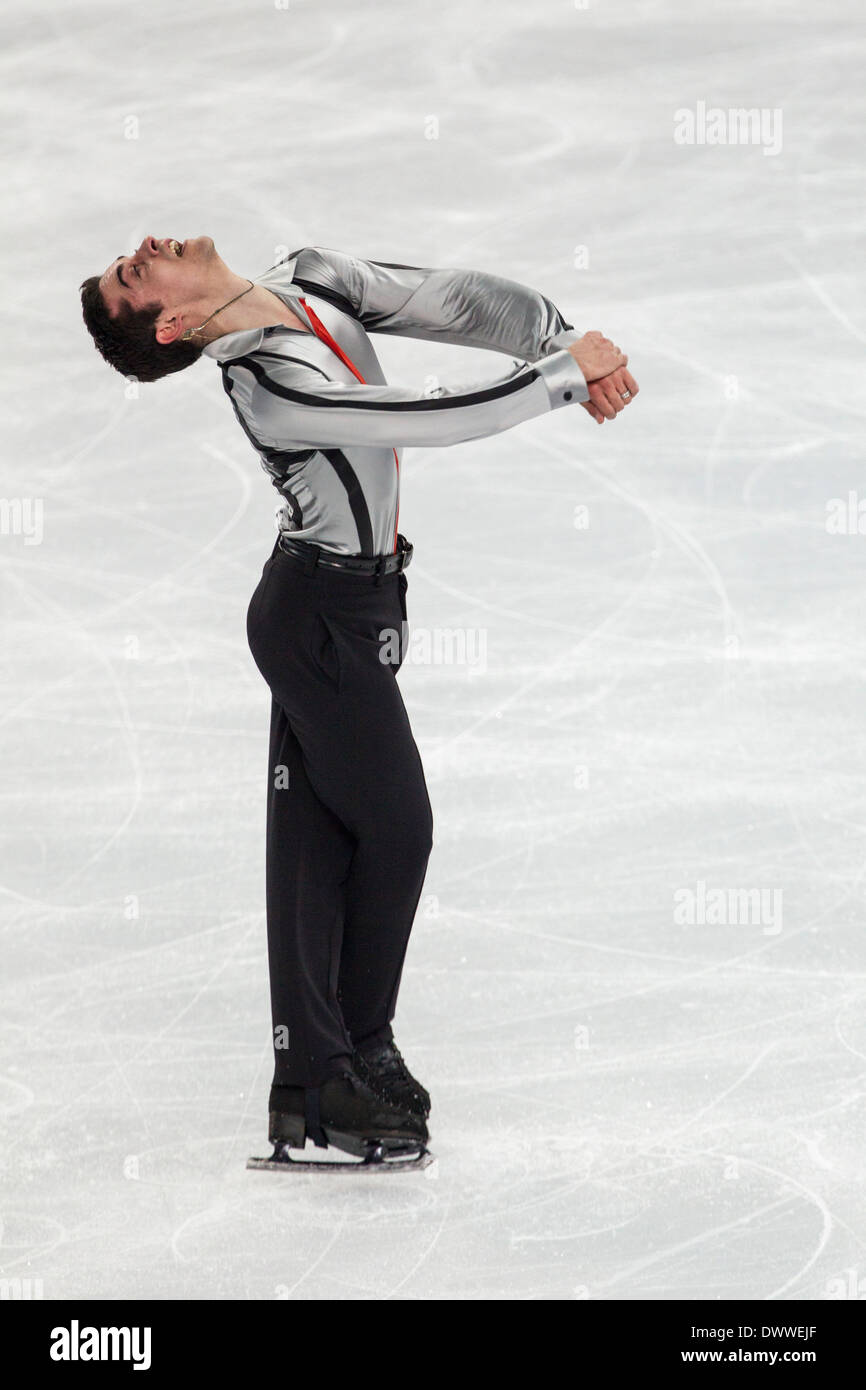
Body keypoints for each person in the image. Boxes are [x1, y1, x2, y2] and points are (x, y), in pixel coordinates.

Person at [80, 235, 638, 1163]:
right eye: (135, 276)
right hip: (318, 617)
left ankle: (319, 1079)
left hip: (355, 603)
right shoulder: (270, 385)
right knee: (396, 826)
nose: (142, 249)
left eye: (128, 258)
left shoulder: (312, 276)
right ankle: (356, 1051)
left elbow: (454, 299)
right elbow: (423, 414)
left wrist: (561, 338)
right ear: (173, 326)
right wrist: (558, 381)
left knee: (321, 840)